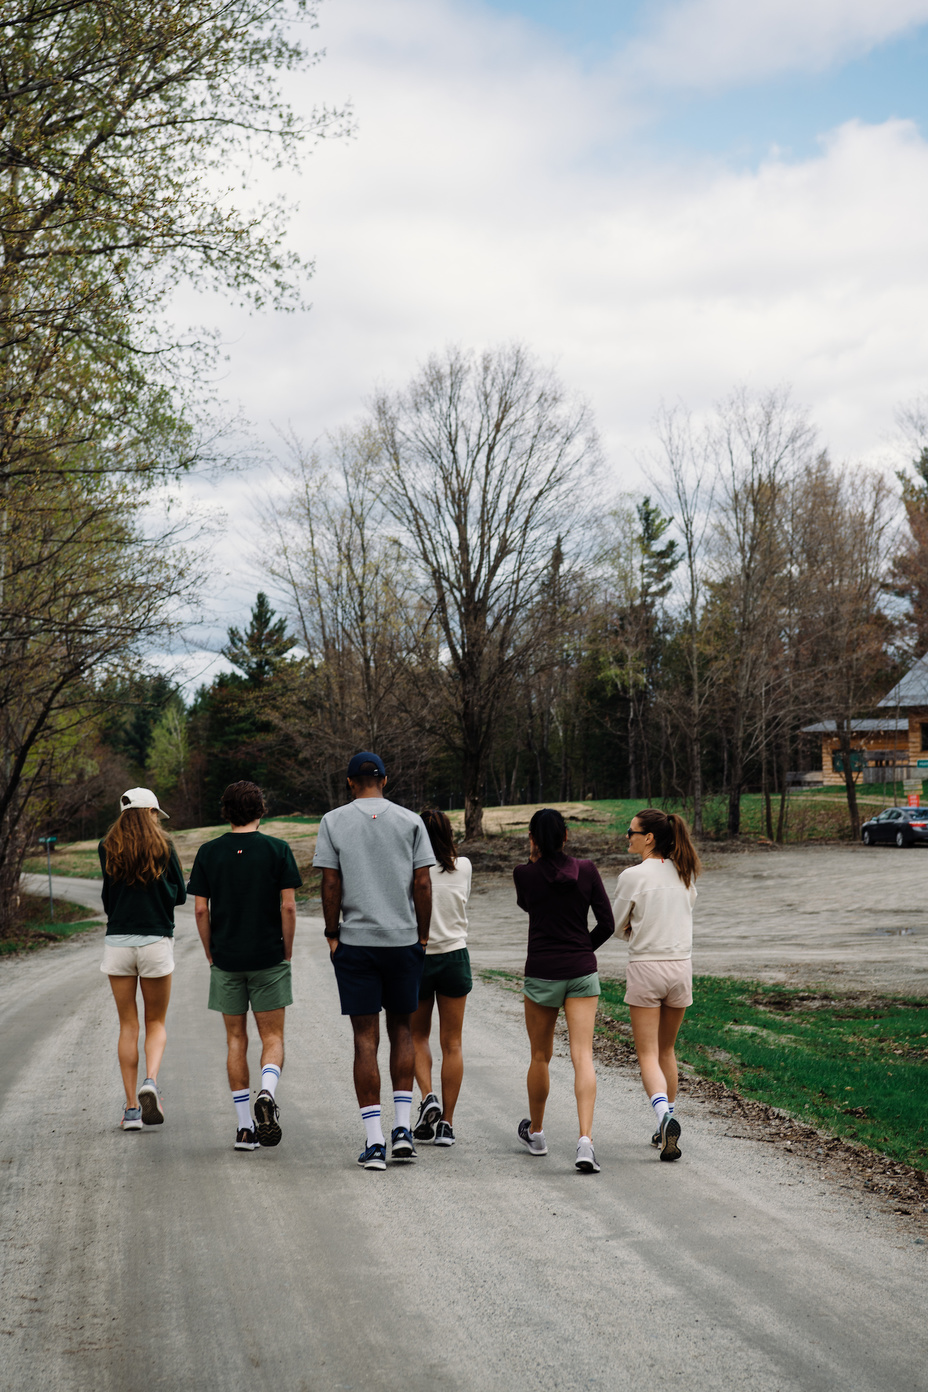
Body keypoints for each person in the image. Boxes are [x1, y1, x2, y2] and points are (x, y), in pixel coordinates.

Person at [314, 752, 434, 1170]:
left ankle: (375, 1141)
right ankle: (402, 1129)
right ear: (385, 779)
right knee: (402, 1030)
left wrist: (333, 933)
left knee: (365, 1039)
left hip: (357, 941)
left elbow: (331, 882)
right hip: (402, 940)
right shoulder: (411, 821)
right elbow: (423, 882)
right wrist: (422, 935)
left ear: (350, 782)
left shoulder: (333, 821)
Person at [188, 781, 302, 1152]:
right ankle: (266, 1092)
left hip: (227, 959)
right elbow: (288, 906)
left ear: (226, 811)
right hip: (268, 957)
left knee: (236, 1039)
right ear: (260, 809)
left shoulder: (208, 852)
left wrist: (211, 953)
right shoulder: (277, 849)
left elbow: (200, 910)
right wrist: (287, 950)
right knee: (273, 1038)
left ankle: (243, 1129)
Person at [512, 808, 614, 1173]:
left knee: (540, 1056)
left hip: (542, 973)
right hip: (581, 972)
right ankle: (585, 1141)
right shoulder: (587, 870)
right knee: (582, 1056)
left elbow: (528, 904)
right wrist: (582, 949)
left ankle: (537, 1134)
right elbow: (608, 923)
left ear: (533, 839)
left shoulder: (524, 874)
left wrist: (533, 856)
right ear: (566, 836)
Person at [612, 808, 701, 1163]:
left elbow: (616, 925)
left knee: (647, 1053)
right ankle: (667, 1120)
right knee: (667, 1050)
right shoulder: (684, 873)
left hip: (646, 967)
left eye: (631, 831)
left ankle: (664, 1117)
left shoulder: (632, 876)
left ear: (648, 837)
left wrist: (633, 931)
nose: (627, 837)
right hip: (681, 968)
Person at [99, 787, 186, 1131]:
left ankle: (132, 1110)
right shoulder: (165, 846)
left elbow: (108, 897)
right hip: (155, 941)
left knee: (128, 1025)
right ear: (150, 812)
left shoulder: (107, 846)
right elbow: (180, 894)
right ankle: (150, 1081)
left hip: (118, 942)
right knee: (156, 1022)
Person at [411, 809, 472, 1147]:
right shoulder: (464, 867)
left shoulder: (412, 870)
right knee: (453, 1043)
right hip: (454, 956)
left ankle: (427, 1096)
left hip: (419, 956)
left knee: (417, 1036)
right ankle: (447, 1124)